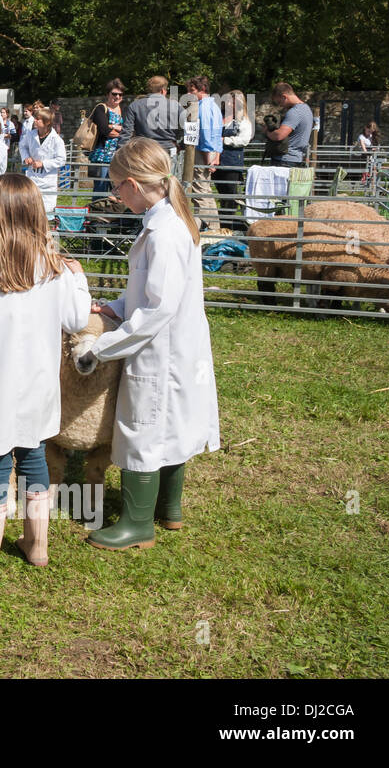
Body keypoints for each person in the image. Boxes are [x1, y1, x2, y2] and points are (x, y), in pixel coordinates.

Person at [73, 138, 219, 550]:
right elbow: (150, 295)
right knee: (172, 423)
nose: (115, 195)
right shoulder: (169, 223)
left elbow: (157, 310)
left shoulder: (164, 234)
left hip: (160, 349)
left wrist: (99, 349)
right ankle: (167, 509)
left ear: (134, 184)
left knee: (144, 428)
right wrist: (117, 307)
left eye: (117, 187)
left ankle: (138, 525)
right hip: (175, 344)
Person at [0, 174, 92, 576]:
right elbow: (77, 318)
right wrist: (78, 278)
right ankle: (36, 545)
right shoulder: (54, 267)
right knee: (33, 455)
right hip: (37, 384)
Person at [187, 76, 223, 231]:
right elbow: (218, 134)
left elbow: (206, 134)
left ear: (202, 89)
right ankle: (212, 228)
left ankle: (211, 229)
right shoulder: (213, 105)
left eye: (192, 90)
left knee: (200, 192)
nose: (189, 93)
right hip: (209, 152)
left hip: (203, 153)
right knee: (205, 191)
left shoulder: (202, 107)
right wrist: (216, 154)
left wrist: (209, 157)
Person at [216, 89, 253, 230]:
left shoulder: (243, 120)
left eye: (232, 101)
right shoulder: (219, 116)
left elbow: (244, 140)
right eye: (227, 101)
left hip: (231, 161)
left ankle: (228, 227)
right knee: (219, 193)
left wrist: (225, 140)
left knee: (230, 195)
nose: (229, 104)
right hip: (216, 160)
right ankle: (219, 224)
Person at [19, 105, 66, 217]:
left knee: (46, 211)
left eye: (38, 119)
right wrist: (26, 157)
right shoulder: (31, 135)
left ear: (47, 122)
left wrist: (43, 164)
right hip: (32, 177)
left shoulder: (56, 140)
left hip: (47, 179)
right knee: (29, 209)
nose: (35, 120)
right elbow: (22, 146)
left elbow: (61, 159)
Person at [86, 79, 126, 195]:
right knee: (100, 189)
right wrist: (119, 129)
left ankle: (113, 212)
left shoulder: (124, 110)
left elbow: (129, 130)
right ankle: (97, 211)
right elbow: (105, 131)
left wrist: (112, 126)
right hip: (102, 156)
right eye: (114, 94)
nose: (117, 96)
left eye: (120, 94)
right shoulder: (101, 108)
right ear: (107, 94)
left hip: (119, 157)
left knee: (118, 190)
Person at [127, 75, 184, 154]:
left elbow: (127, 132)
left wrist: (121, 152)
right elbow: (191, 127)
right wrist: (182, 145)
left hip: (143, 150)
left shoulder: (135, 105)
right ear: (163, 90)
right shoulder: (175, 105)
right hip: (168, 150)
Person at [264, 83, 313, 168]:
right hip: (296, 159)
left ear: (284, 97)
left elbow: (279, 135)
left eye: (279, 102)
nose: (280, 105)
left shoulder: (294, 112)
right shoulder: (306, 109)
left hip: (284, 161)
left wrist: (267, 132)